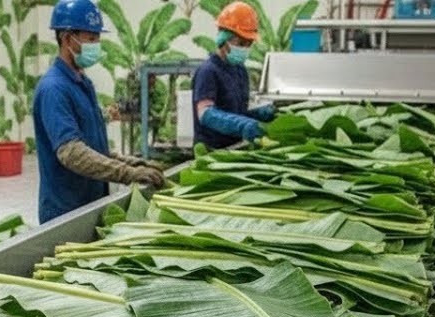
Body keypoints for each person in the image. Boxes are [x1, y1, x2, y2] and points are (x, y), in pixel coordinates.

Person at [32, 0, 164, 224]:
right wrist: (124, 173)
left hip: (91, 202)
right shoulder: (53, 89)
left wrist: (133, 163)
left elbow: (93, 147)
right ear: (66, 39)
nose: (97, 46)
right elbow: (72, 152)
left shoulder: (83, 83)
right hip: (66, 210)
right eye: (91, 39)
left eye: (98, 39)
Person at [192, 2, 276, 149]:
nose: (245, 48)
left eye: (249, 44)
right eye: (241, 43)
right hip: (212, 152)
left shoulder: (240, 71)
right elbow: (206, 114)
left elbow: (237, 112)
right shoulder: (208, 71)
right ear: (224, 39)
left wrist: (260, 115)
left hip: (235, 147)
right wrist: (243, 125)